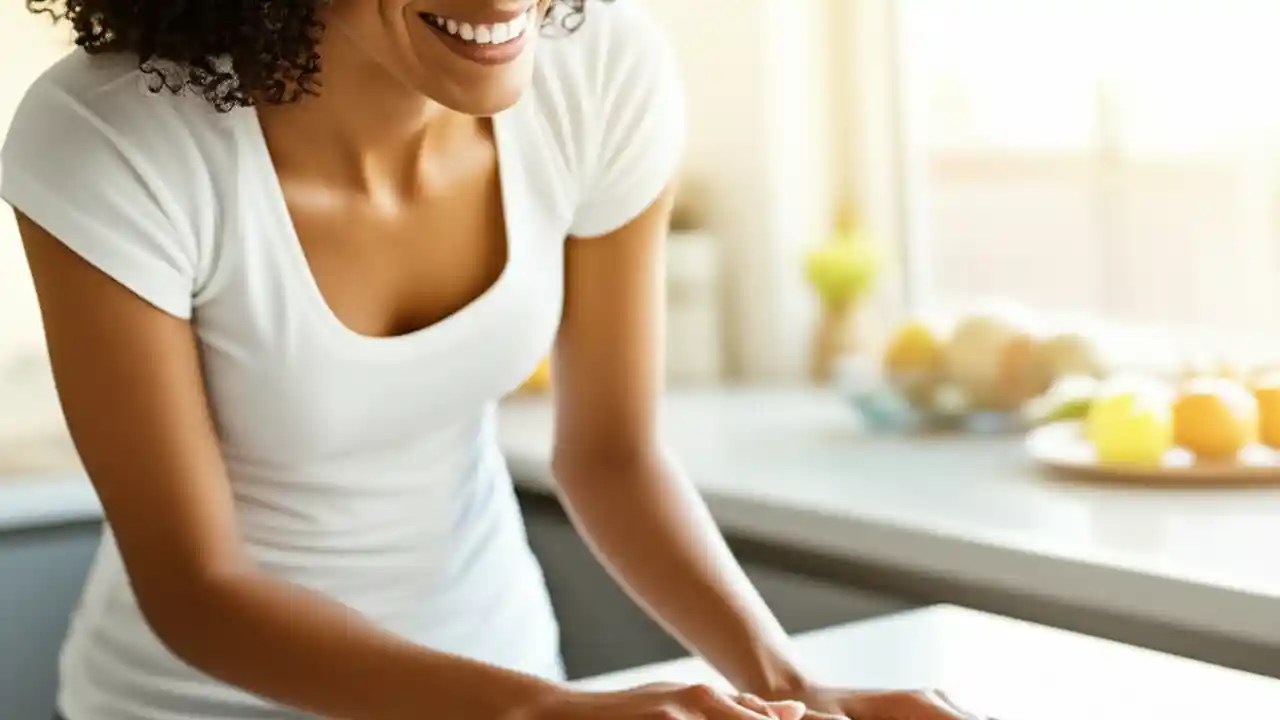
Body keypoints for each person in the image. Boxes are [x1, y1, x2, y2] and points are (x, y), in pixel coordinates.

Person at [3, 1, 985, 718]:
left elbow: (612, 456)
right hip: (199, 702)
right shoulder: (113, 140)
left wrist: (792, 686)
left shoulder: (597, 73)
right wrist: (538, 714)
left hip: (500, 669)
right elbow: (196, 588)